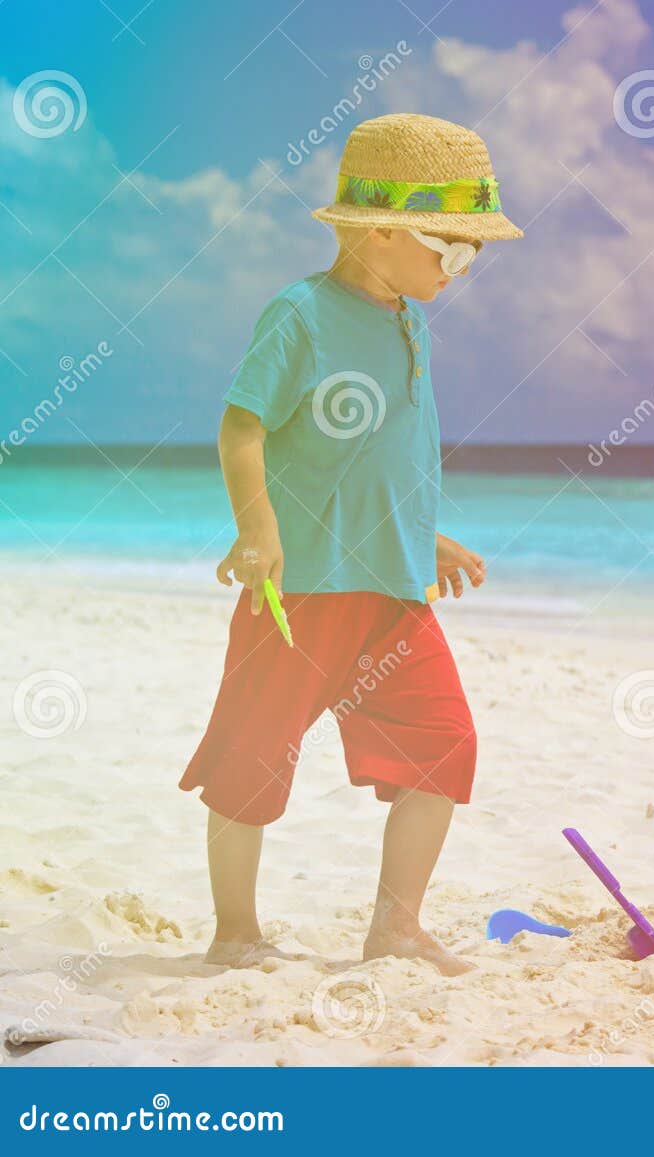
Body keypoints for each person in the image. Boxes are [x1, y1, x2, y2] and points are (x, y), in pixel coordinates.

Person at [181, 114, 522, 975]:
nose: (462, 268)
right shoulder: (302, 315)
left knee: (444, 745)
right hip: (298, 594)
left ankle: (396, 926)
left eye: (473, 253)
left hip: (393, 590)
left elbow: (377, 457)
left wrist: (423, 533)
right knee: (250, 763)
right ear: (376, 232)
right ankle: (234, 933)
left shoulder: (413, 325)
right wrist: (258, 530)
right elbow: (241, 427)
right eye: (449, 248)